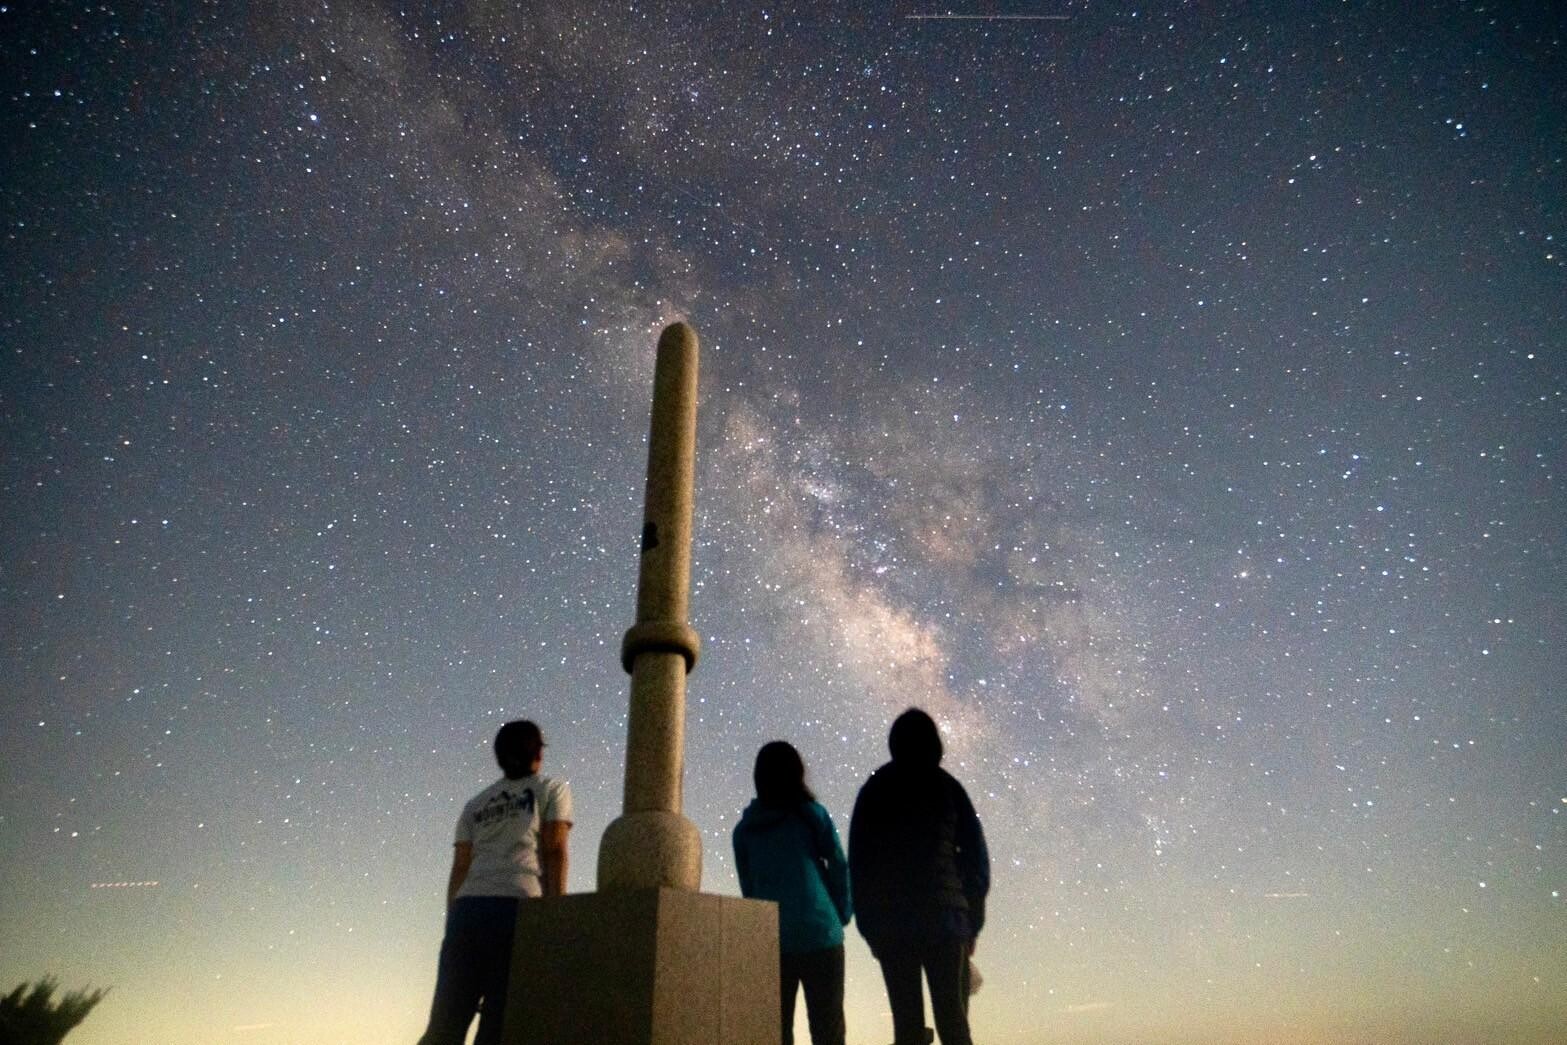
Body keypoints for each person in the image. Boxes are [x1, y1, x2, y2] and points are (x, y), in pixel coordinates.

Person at [417, 720, 573, 1045]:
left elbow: (460, 868)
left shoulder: (475, 805)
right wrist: (557, 914)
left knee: (447, 1020)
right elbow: (554, 849)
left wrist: (453, 922)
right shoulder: (551, 789)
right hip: (517, 910)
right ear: (538, 754)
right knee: (499, 1020)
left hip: (468, 912)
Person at [850, 709, 989, 1045]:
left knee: (907, 1026)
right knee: (953, 1022)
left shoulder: (874, 789)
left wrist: (869, 928)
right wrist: (972, 923)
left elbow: (859, 864)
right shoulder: (948, 788)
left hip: (891, 925)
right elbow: (976, 863)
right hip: (946, 921)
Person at [733, 741, 853, 1045]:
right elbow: (839, 865)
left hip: (774, 940)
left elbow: (749, 889)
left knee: (776, 1031)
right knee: (829, 1032)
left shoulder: (745, 830)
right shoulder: (812, 815)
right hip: (821, 933)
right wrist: (842, 912)